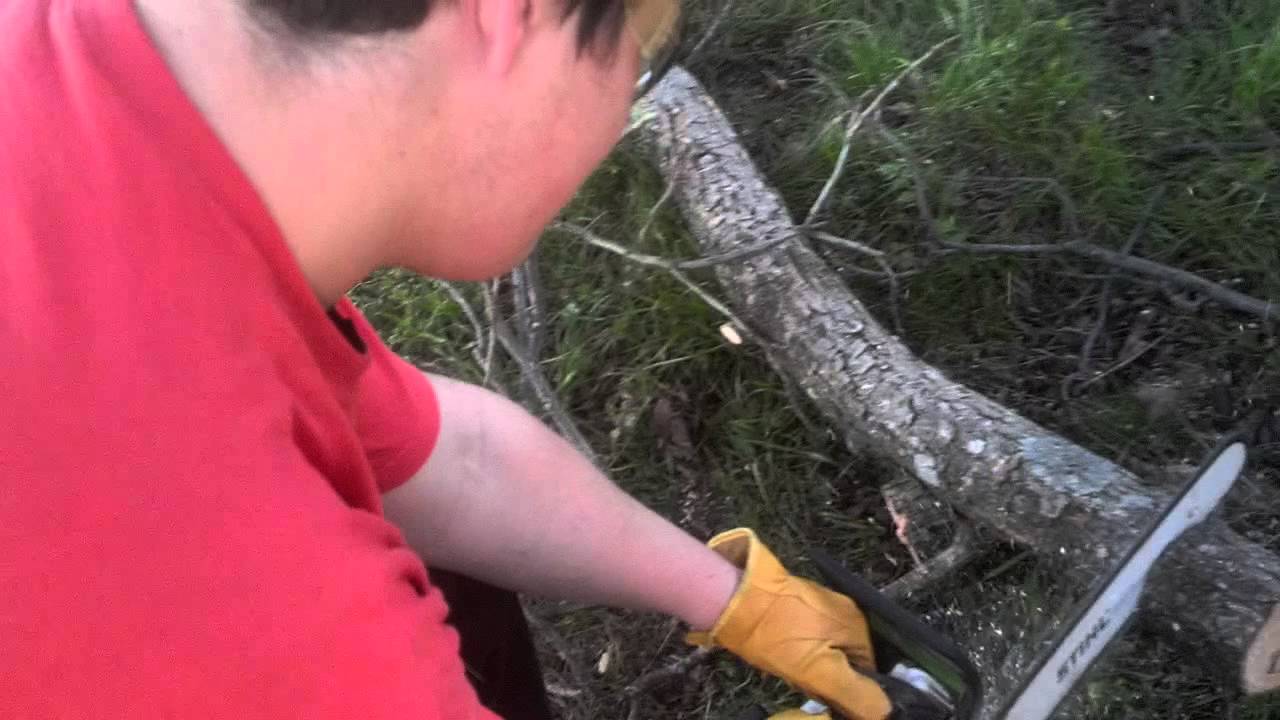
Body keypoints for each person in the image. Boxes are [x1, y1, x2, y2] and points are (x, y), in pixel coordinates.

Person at [0, 1, 894, 718]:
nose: (626, 97)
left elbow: (445, 459)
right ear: (514, 15)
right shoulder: (248, 601)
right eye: (642, 48)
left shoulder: (84, 72)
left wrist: (731, 597)